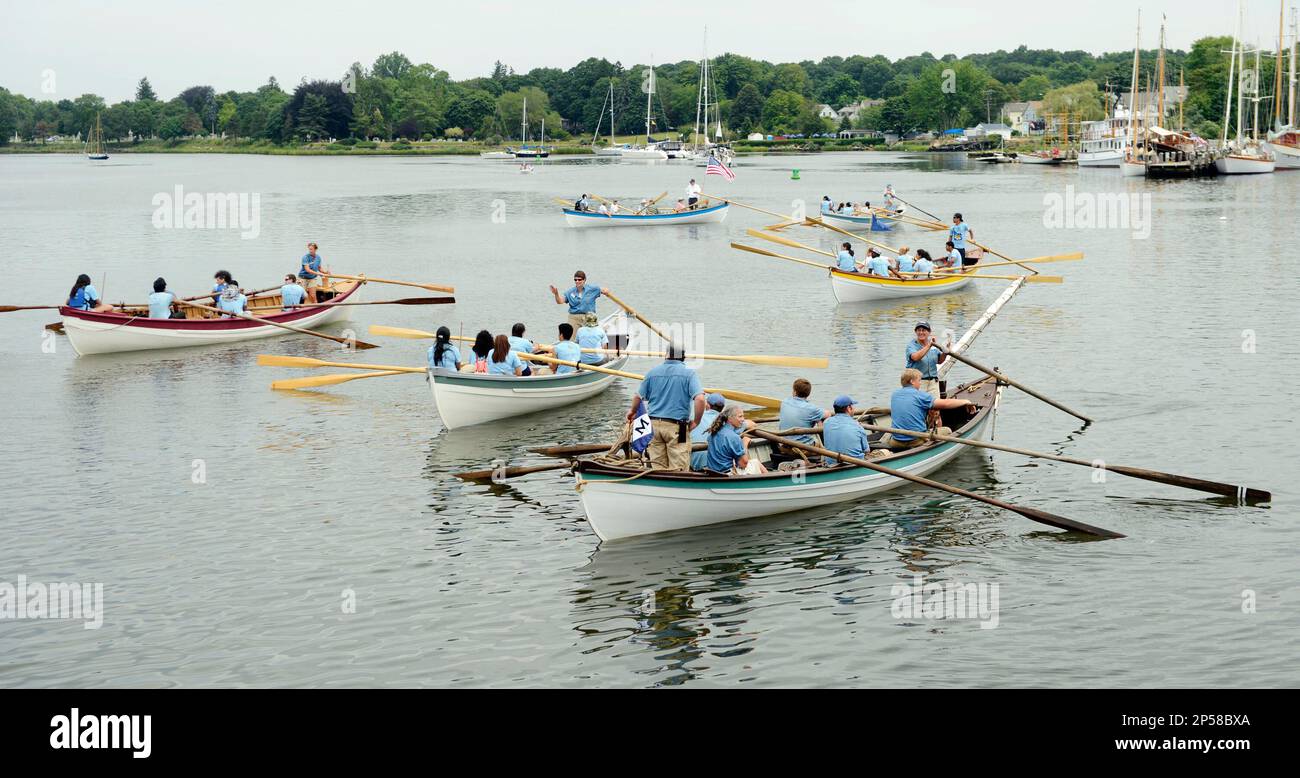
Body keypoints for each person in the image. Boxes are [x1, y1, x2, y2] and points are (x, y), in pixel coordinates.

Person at [627, 342, 705, 471]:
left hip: (654, 426)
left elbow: (637, 397)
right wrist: (696, 421)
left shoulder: (652, 373)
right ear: (683, 357)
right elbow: (700, 399)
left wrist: (632, 411)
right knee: (679, 468)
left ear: (667, 354)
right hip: (678, 427)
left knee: (658, 467)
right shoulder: (689, 374)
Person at [881, 369, 973, 450]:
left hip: (896, 442)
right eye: (919, 380)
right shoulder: (921, 396)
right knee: (948, 430)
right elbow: (945, 404)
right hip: (917, 440)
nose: (920, 383)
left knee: (888, 432)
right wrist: (965, 401)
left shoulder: (895, 395)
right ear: (912, 381)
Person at [704, 404, 767, 476]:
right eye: (740, 416)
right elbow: (743, 464)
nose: (743, 419)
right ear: (730, 418)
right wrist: (745, 443)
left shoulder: (714, 432)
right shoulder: (733, 437)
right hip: (726, 474)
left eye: (743, 416)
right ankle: (771, 482)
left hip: (713, 472)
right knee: (756, 462)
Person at [821, 395, 873, 466]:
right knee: (885, 453)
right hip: (854, 463)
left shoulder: (826, 423)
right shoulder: (857, 426)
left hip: (831, 464)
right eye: (852, 406)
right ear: (849, 408)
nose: (854, 408)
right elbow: (867, 451)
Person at [779, 379, 831, 446]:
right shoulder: (811, 408)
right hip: (803, 447)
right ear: (808, 394)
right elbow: (828, 414)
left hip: (784, 445)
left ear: (794, 392)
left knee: (818, 417)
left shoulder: (784, 402)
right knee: (820, 418)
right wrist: (818, 418)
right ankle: (825, 447)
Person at [906, 321, 950, 400]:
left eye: (924, 330)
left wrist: (945, 352)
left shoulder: (933, 346)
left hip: (933, 382)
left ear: (929, 332)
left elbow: (939, 361)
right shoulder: (911, 345)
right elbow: (915, 357)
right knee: (919, 407)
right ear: (915, 332)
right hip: (917, 383)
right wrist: (929, 345)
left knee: (935, 408)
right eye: (919, 330)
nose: (921, 332)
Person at [689, 393, 728, 471]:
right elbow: (751, 424)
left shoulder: (693, 417)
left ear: (707, 406)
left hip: (695, 464)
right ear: (722, 408)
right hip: (717, 467)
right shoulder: (728, 421)